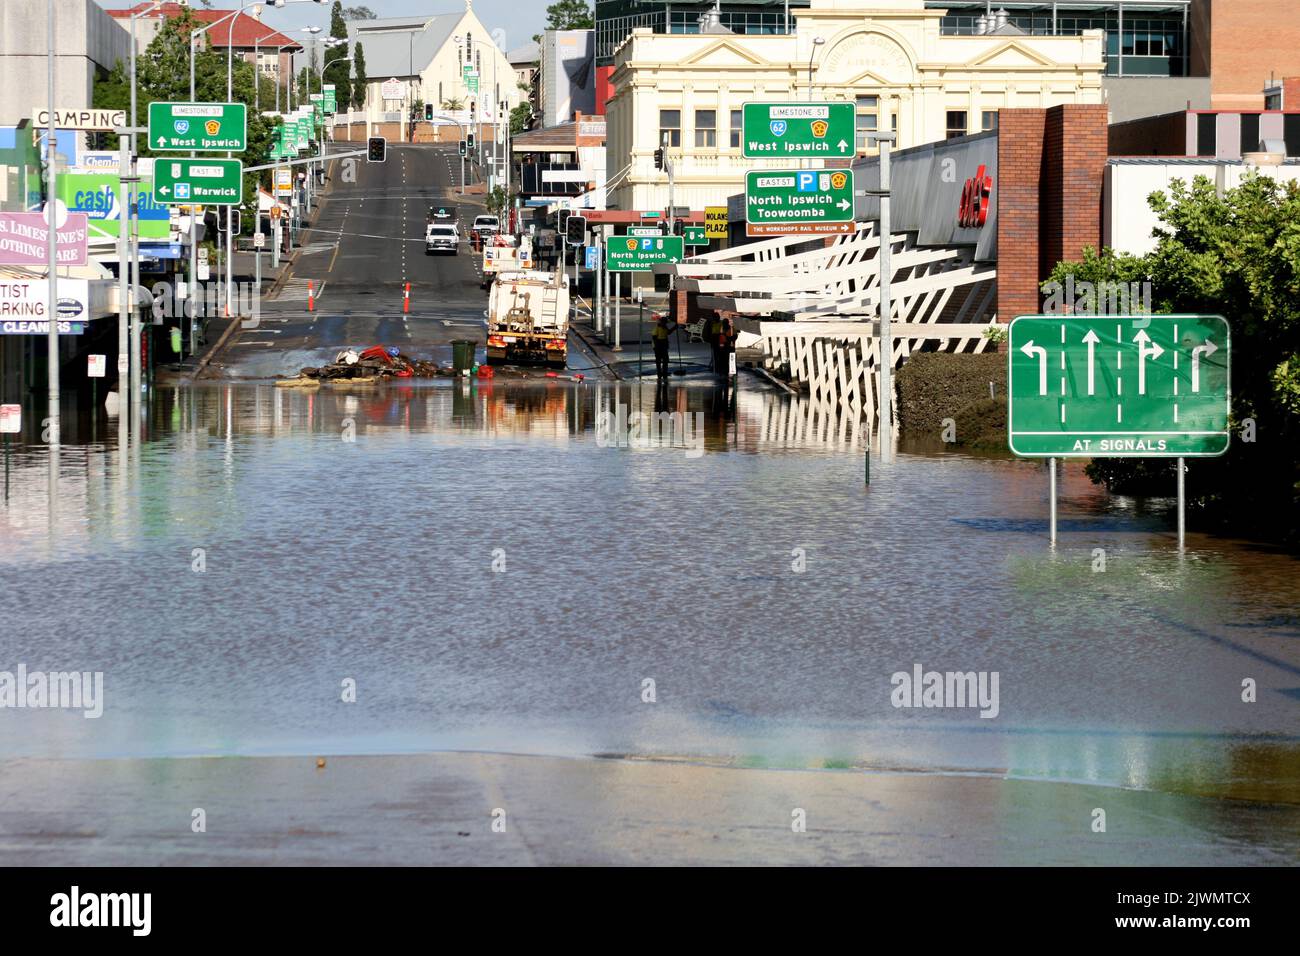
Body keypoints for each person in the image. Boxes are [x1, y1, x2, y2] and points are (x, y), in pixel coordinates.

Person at [651, 313, 678, 381]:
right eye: (664, 323)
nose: (665, 324)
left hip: (663, 345)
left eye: (665, 323)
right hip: (658, 346)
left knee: (665, 360)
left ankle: (664, 372)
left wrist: (674, 327)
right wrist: (658, 346)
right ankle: (659, 373)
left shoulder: (664, 327)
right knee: (658, 360)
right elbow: (654, 338)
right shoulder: (657, 328)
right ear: (661, 322)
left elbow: (668, 332)